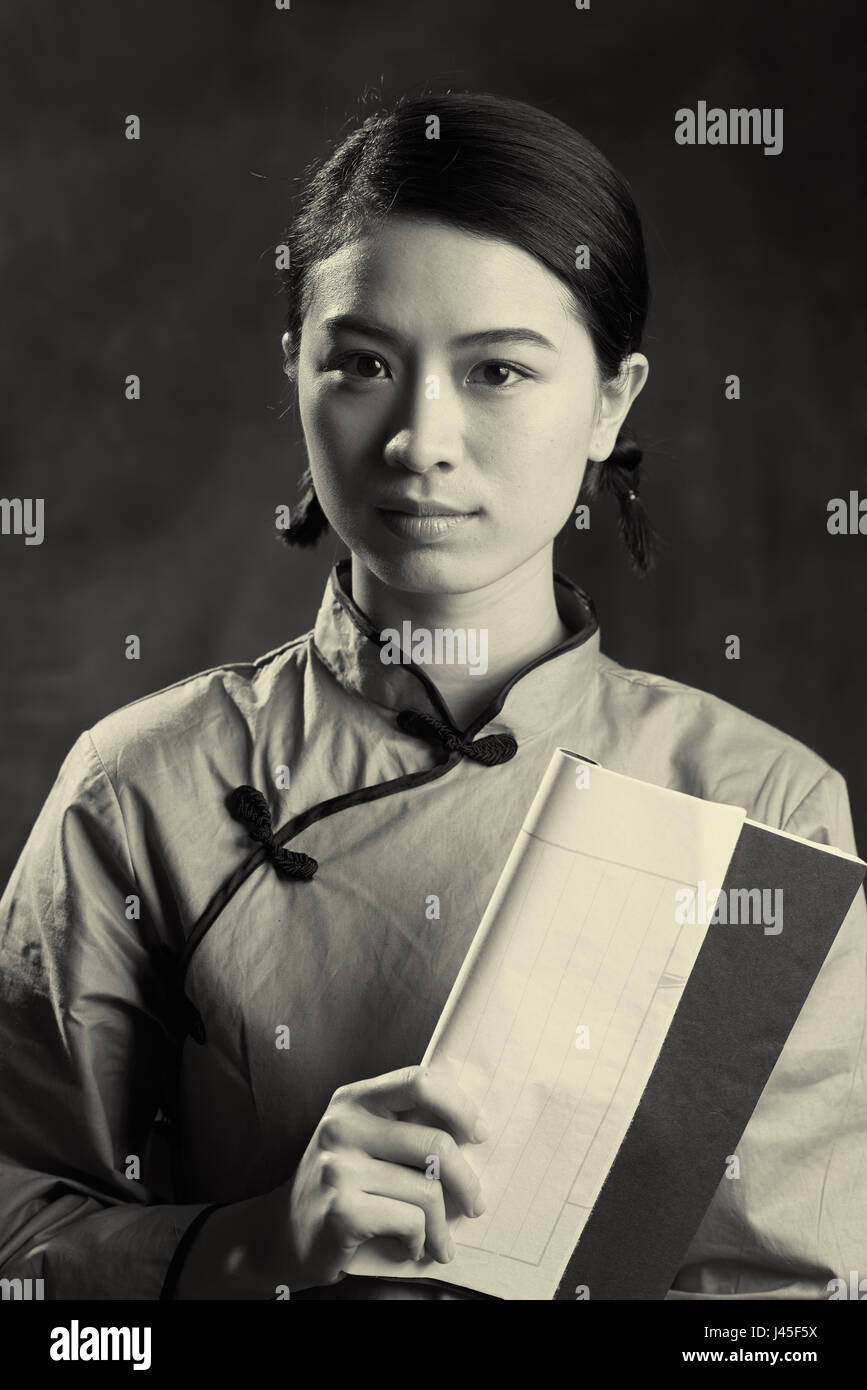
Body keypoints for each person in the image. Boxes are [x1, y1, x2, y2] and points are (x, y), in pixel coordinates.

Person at [0, 89, 863, 1302]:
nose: (419, 437)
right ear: (293, 372)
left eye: (498, 369)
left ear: (613, 402)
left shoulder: (758, 804)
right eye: (359, 363)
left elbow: (794, 1304)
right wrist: (252, 1248)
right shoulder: (140, 788)